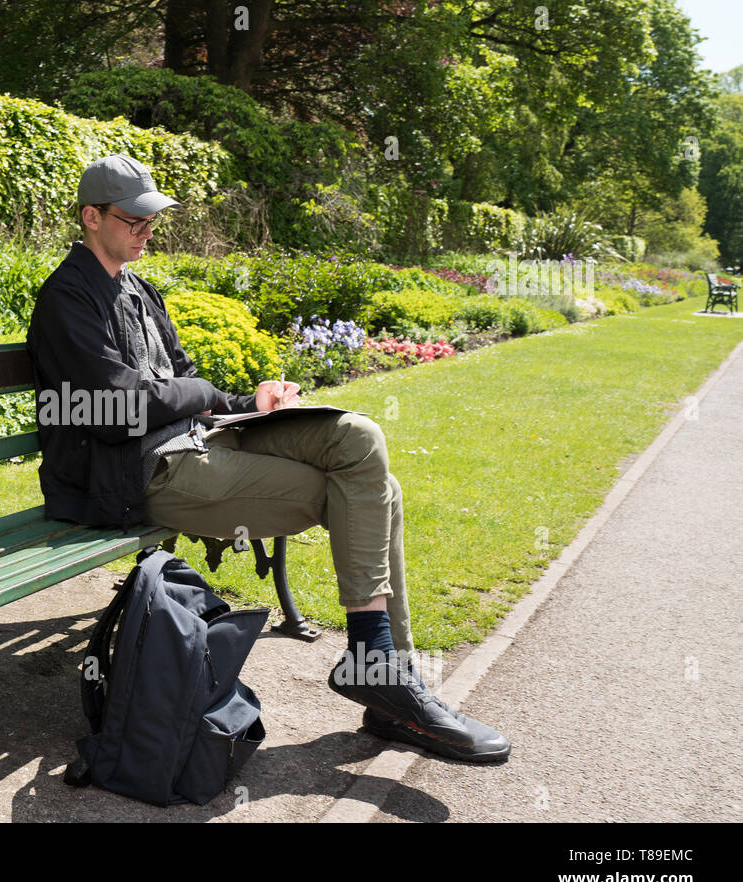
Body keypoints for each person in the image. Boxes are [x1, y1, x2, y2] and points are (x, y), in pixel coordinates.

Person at [26, 154, 509, 762]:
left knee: (357, 438)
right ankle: (385, 676)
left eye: (153, 220)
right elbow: (122, 407)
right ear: (91, 217)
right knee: (374, 496)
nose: (147, 230)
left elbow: (183, 384)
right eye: (134, 220)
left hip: (196, 440)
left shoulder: (140, 289)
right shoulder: (67, 297)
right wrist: (201, 397)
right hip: (136, 475)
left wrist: (248, 402)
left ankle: (381, 670)